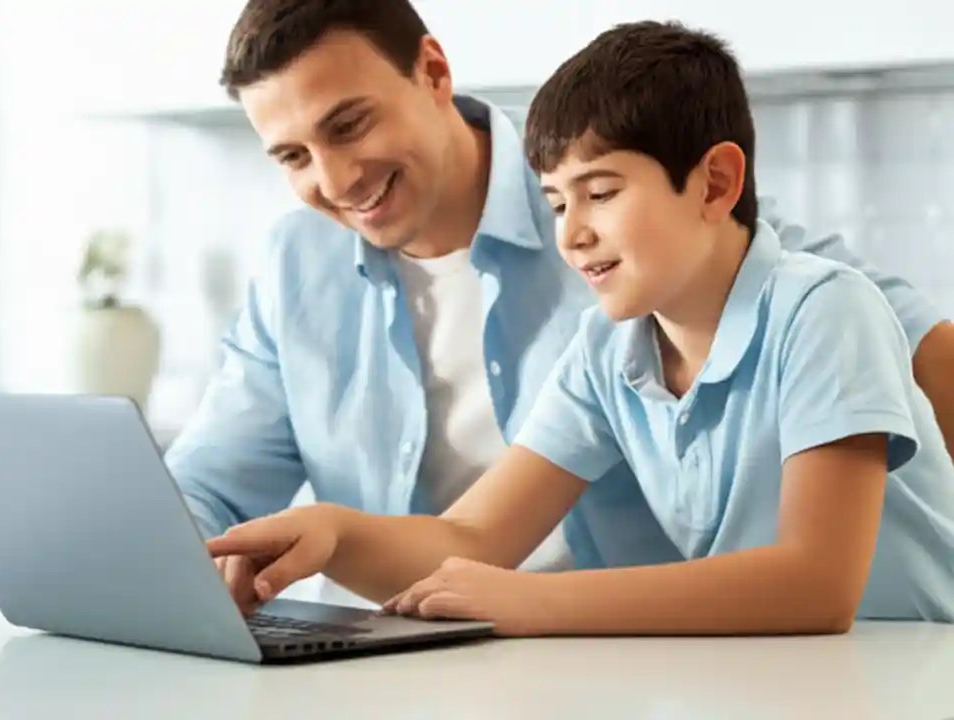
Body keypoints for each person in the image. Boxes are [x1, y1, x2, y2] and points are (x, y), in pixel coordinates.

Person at [166, 0, 954, 614]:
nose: (335, 180)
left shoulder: (791, 293)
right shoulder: (609, 343)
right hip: (691, 663)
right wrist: (333, 532)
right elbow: (470, 538)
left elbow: (816, 581)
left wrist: (530, 605)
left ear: (432, 72)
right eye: (295, 156)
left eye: (350, 124)